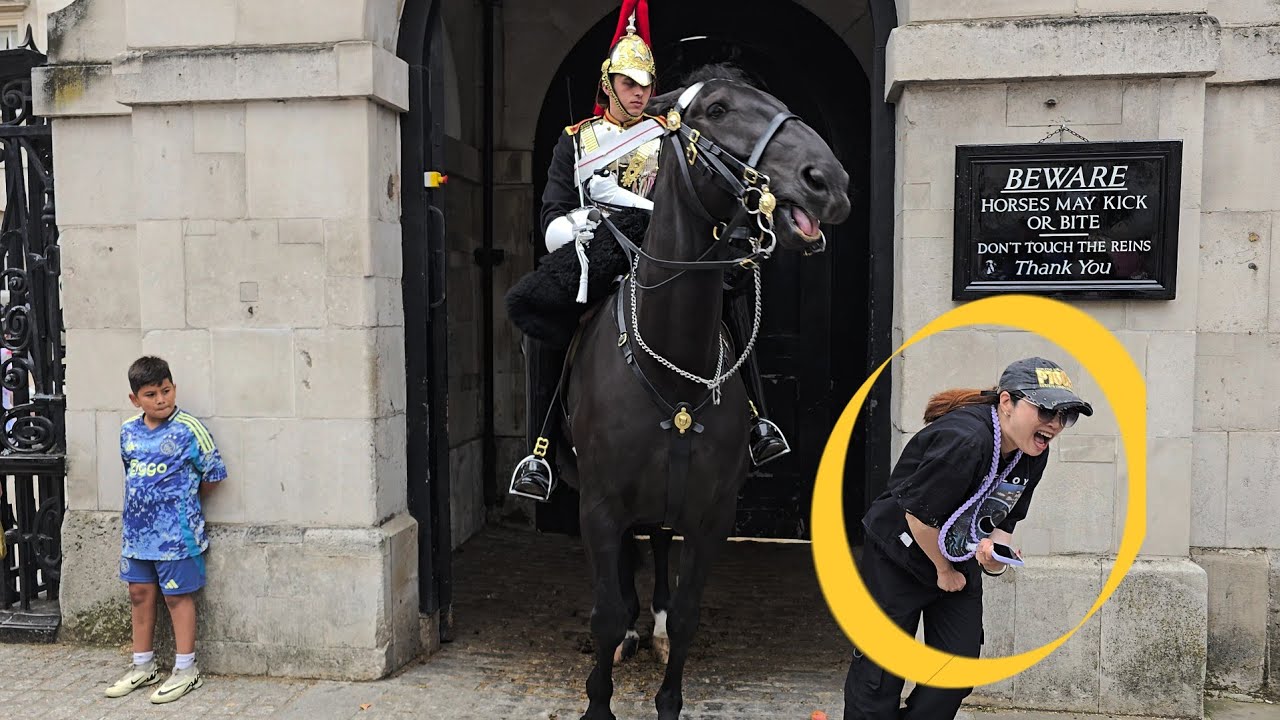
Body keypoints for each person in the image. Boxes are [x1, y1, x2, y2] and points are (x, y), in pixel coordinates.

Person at [509, 0, 790, 502]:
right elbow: (552, 214)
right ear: (608, 84)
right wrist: (586, 221)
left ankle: (757, 422)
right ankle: (543, 449)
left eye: (645, 85)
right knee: (547, 318)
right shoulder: (577, 143)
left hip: (669, 255)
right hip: (598, 254)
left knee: (731, 302)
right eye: (628, 85)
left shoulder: (673, 137)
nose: (638, 95)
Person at [844, 357, 1094, 720]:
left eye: (1064, 416)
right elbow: (919, 516)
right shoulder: (965, 439)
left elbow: (1002, 517)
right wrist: (944, 572)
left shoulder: (1033, 451)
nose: (1054, 425)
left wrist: (995, 552)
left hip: (955, 552)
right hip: (900, 551)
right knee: (880, 673)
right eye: (1045, 411)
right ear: (1006, 402)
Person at [105, 356, 226, 704]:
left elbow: (213, 475)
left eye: (166, 390)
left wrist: (180, 506)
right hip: (136, 536)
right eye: (151, 394)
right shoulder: (128, 431)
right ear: (135, 399)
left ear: (174, 388)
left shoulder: (189, 428)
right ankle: (143, 665)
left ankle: (186, 669)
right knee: (139, 596)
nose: (161, 399)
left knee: (176, 597)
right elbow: (131, 471)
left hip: (177, 538)